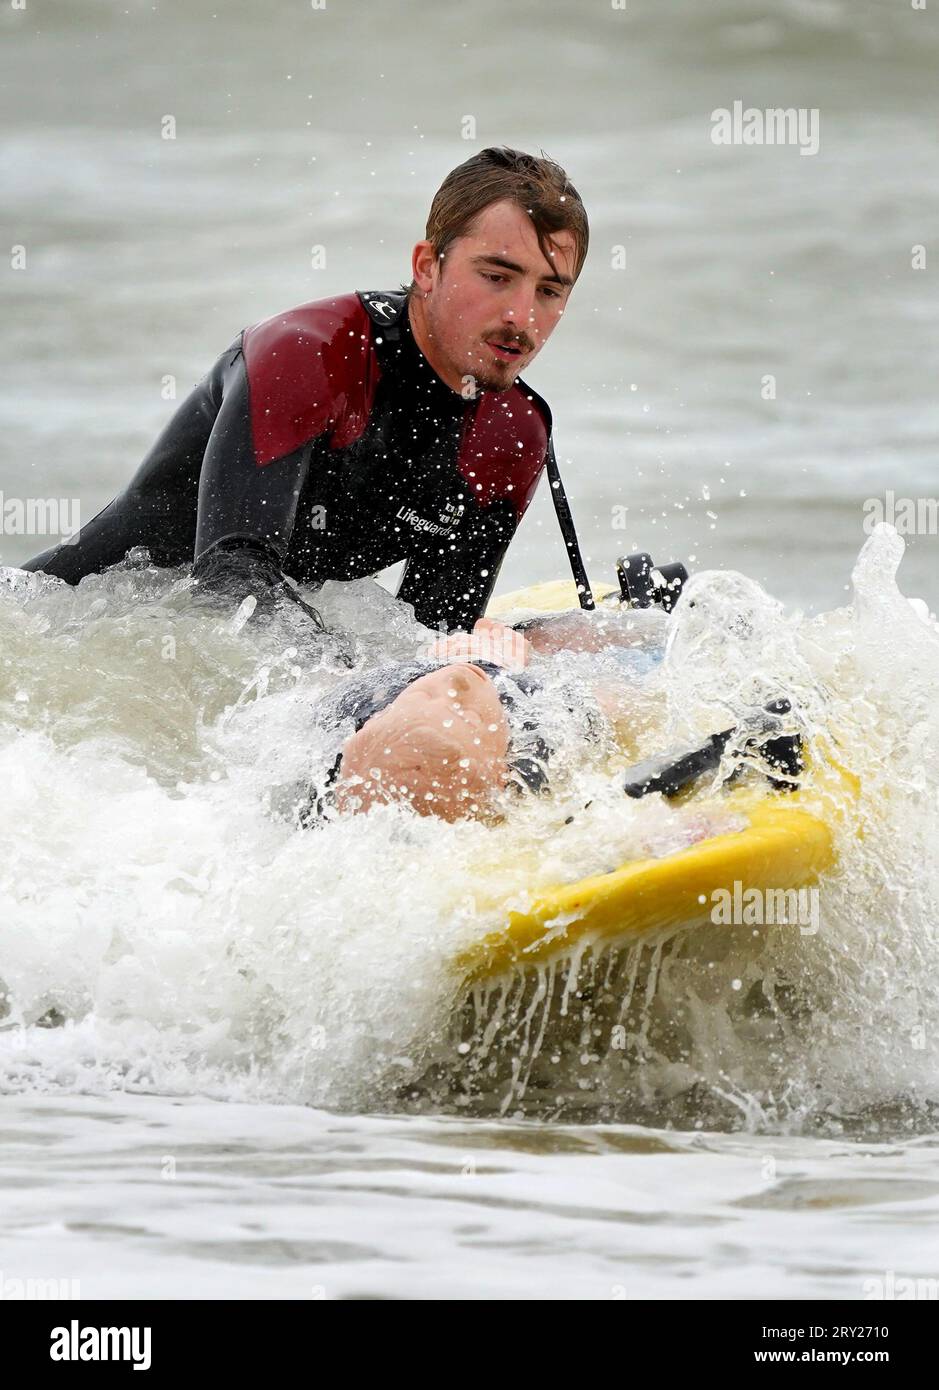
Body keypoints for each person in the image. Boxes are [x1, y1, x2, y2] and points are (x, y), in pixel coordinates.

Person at [22, 147, 596, 659]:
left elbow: (433, 635)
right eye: (497, 277)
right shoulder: (312, 354)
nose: (523, 317)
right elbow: (229, 578)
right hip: (62, 635)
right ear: (427, 266)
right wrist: (350, 677)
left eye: (549, 292)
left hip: (218, 663)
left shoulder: (512, 435)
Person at [305, 610, 669, 825]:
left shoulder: (355, 706)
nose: (456, 681)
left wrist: (430, 675)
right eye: (467, 717)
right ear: (501, 772)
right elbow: (639, 708)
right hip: (502, 673)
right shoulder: (537, 733)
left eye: (430, 694)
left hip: (418, 670)